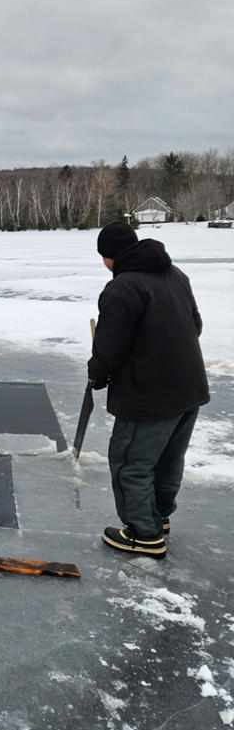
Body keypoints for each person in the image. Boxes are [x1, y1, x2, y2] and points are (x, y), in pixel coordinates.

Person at [88, 220, 209, 557]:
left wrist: (95, 375)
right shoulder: (176, 275)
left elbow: (109, 349)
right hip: (189, 389)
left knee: (131, 462)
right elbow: (195, 325)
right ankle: (159, 516)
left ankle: (143, 533)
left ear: (109, 257)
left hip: (148, 396)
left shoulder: (122, 288)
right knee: (169, 458)